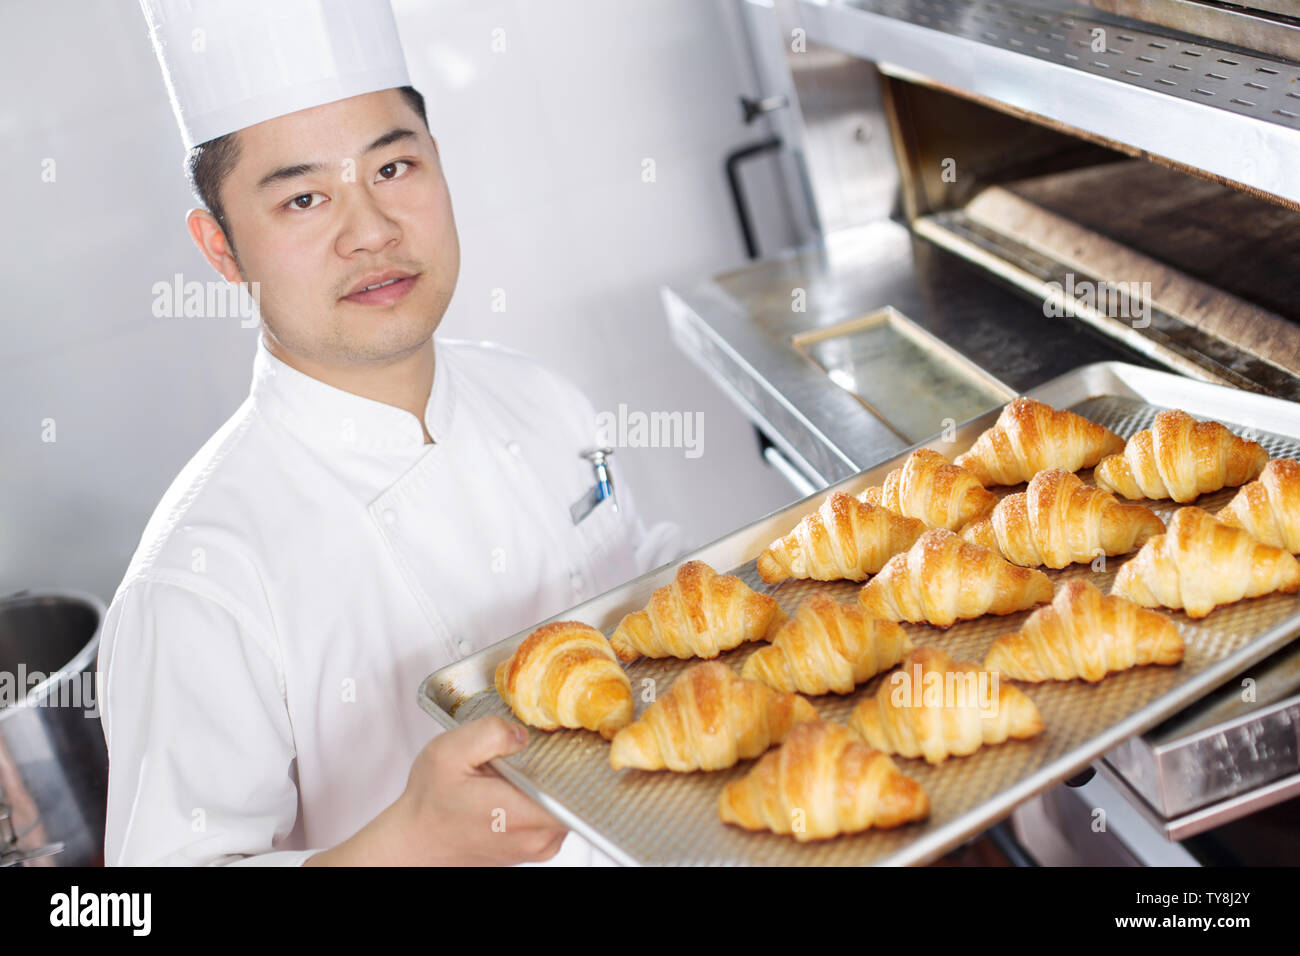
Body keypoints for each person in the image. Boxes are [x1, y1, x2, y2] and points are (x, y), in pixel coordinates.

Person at [98, 0, 680, 866]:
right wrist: (406, 845)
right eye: (302, 197)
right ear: (221, 250)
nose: (371, 229)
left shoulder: (543, 399)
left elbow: (649, 610)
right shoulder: (199, 579)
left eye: (395, 167)